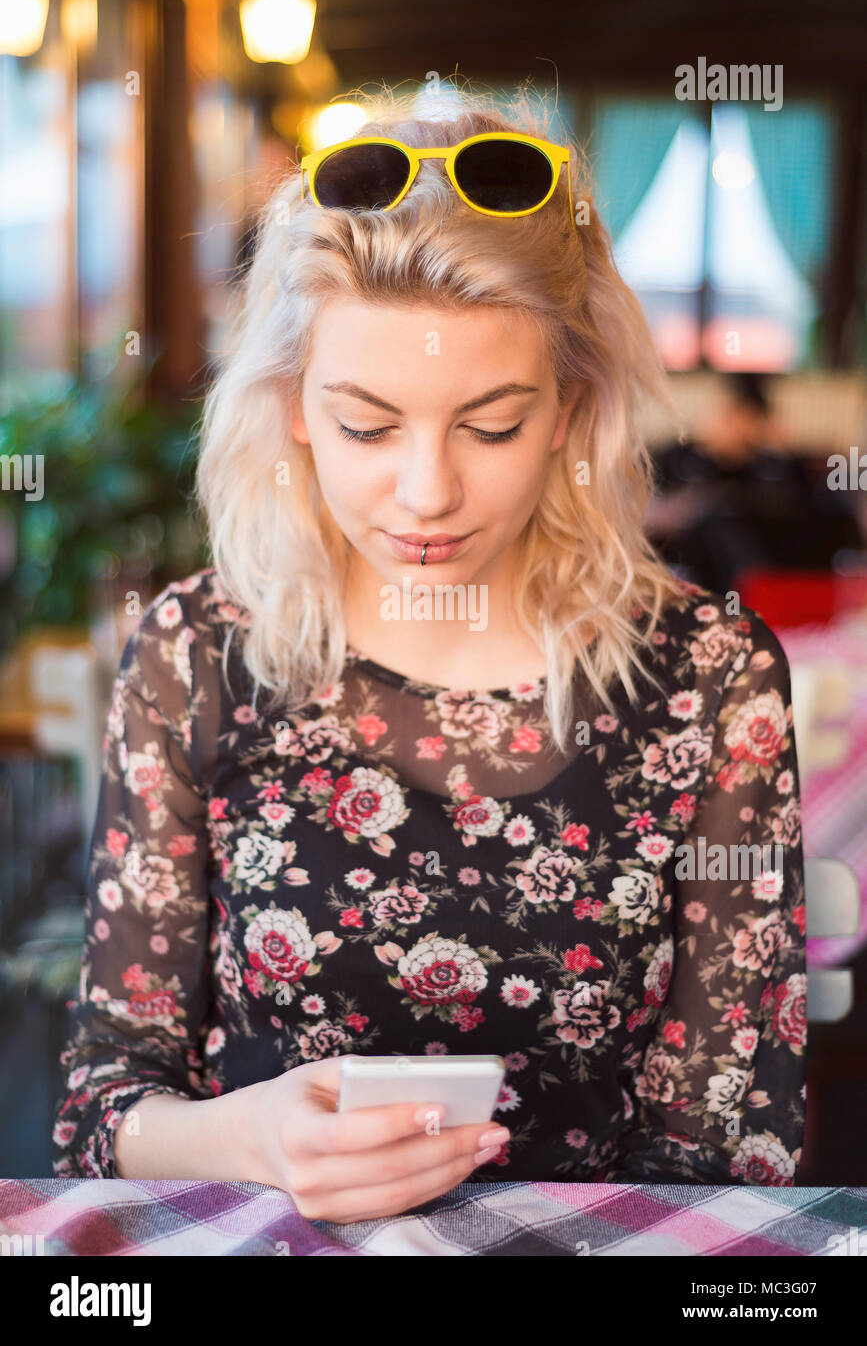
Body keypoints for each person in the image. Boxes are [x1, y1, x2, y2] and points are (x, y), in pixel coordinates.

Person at [52, 90, 807, 1221]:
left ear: (571, 409)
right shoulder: (198, 653)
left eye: (491, 424)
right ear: (294, 405)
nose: (427, 492)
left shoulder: (709, 677)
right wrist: (246, 1134)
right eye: (366, 423)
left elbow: (736, 1142)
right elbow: (102, 1105)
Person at [646, 372, 863, 592]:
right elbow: (655, 511)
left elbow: (814, 512)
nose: (737, 427)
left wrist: (782, 457)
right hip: (699, 570)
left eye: (748, 418)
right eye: (732, 416)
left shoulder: (775, 465)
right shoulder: (682, 457)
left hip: (769, 571)